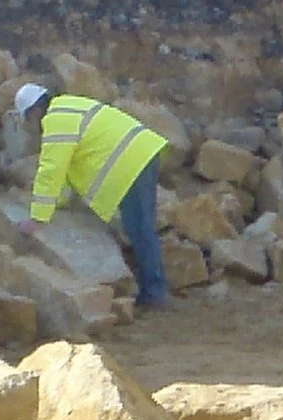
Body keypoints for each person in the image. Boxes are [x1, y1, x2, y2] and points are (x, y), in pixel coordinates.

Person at [15, 82, 171, 307]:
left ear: (34, 111)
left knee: (140, 228)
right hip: (141, 153)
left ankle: (155, 292)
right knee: (140, 227)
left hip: (132, 164)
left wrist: (37, 218)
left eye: (28, 119)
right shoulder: (68, 106)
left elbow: (51, 170)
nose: (31, 126)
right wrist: (59, 202)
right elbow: (67, 174)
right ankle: (153, 286)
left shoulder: (56, 121)